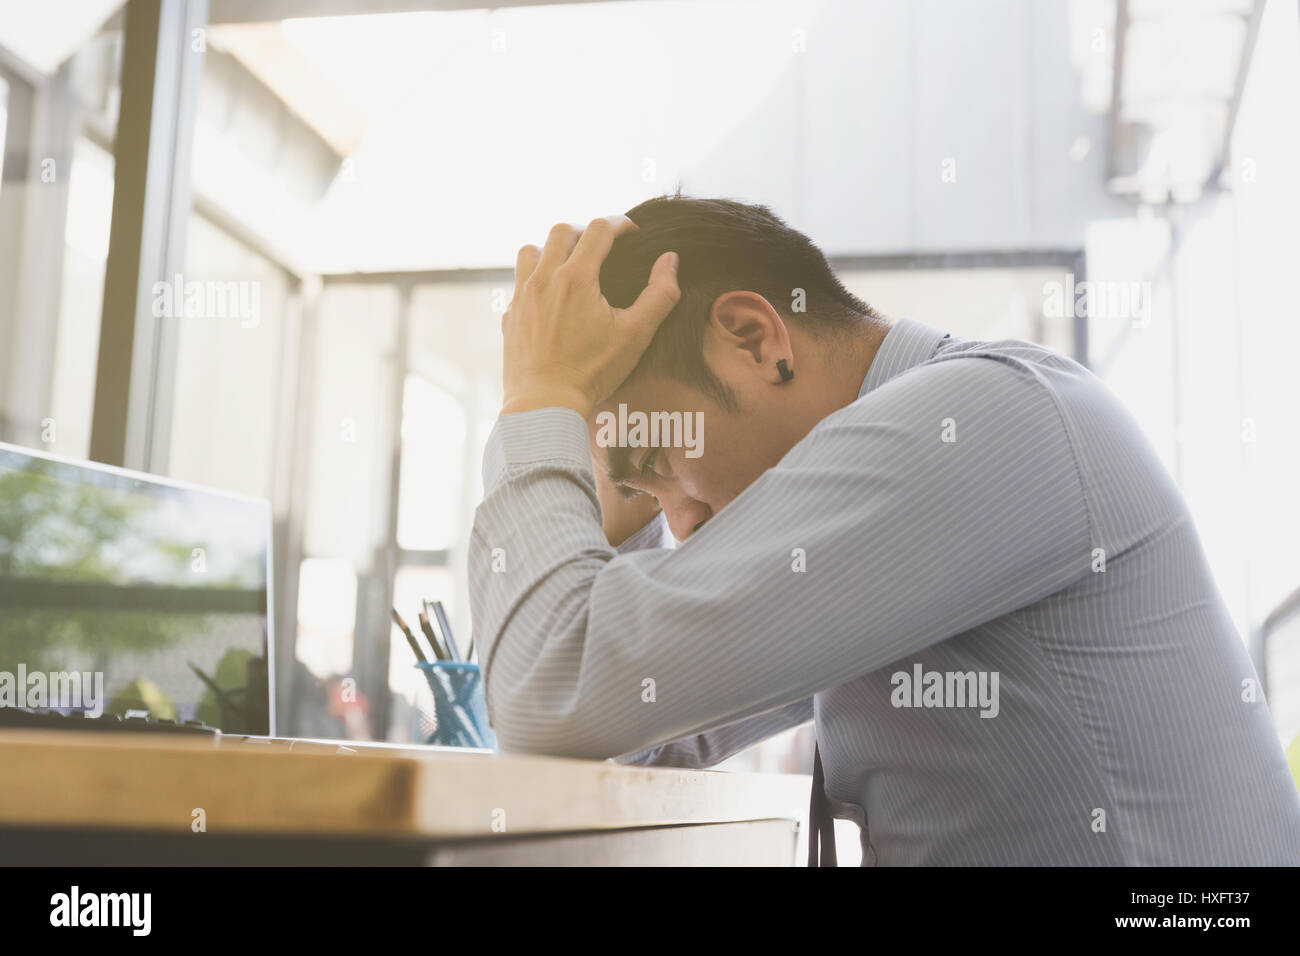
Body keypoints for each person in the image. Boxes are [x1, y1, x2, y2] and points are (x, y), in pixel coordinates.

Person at [468, 194, 1300, 865]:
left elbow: (552, 694)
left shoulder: (981, 420)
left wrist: (538, 403)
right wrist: (620, 499)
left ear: (757, 338)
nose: (678, 523)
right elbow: (631, 743)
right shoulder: (901, 476)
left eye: (666, 459)